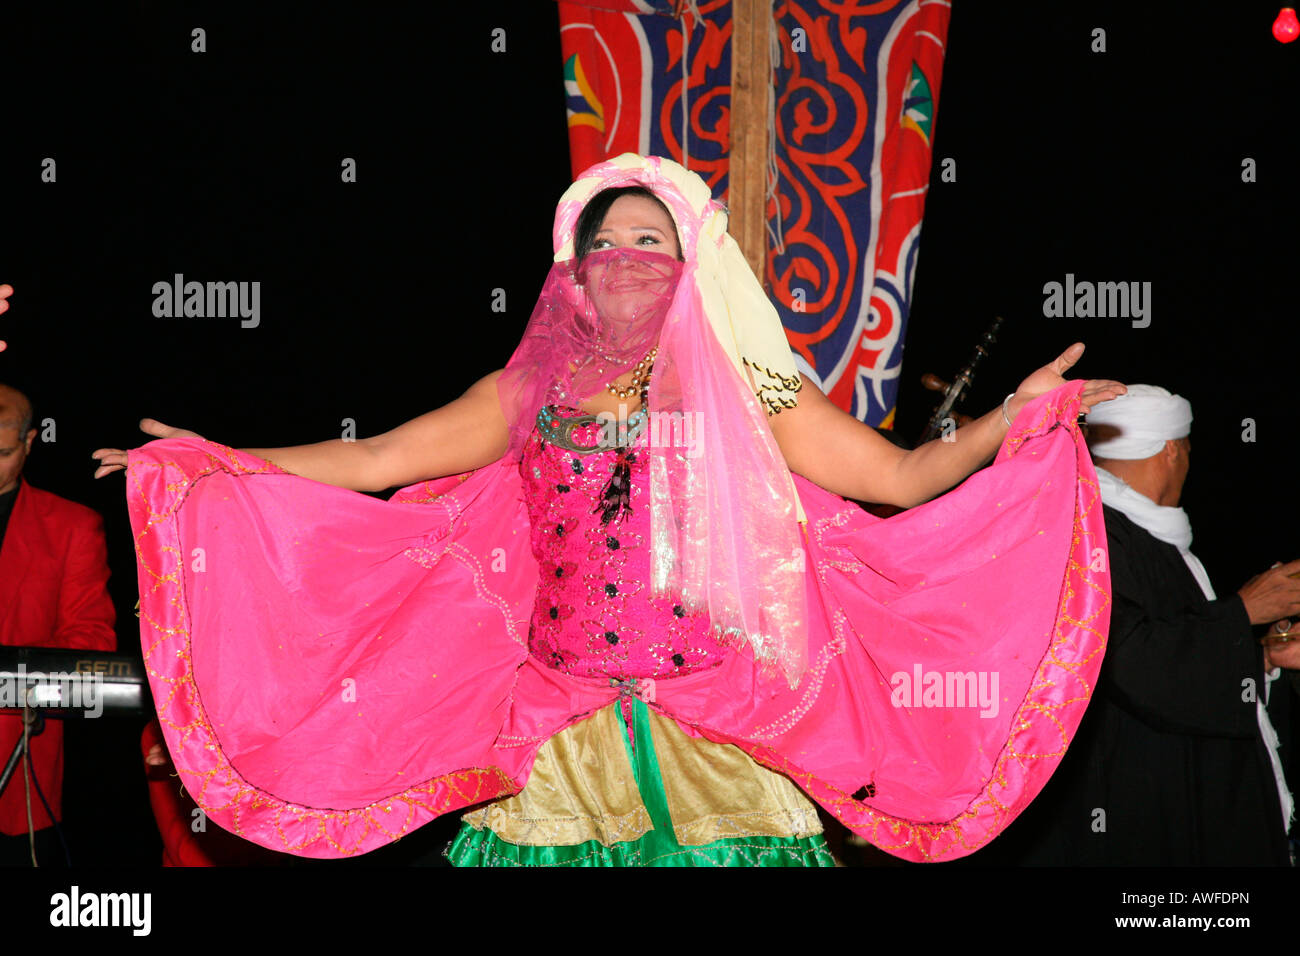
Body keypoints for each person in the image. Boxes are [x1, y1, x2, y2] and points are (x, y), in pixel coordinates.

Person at [93, 154, 1125, 866]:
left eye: (651, 238)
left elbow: (897, 479)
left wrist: (1006, 418)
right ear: (573, 268)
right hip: (557, 742)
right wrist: (219, 460)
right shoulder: (524, 393)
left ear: (688, 269)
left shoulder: (751, 392)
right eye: (608, 240)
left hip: (724, 733)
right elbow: (381, 455)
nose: (629, 255)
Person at [979, 385, 1300, 865]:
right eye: (1189, 449)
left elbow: (1180, 651)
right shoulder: (1092, 532)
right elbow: (1124, 658)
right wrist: (1242, 612)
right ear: (1171, 449)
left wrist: (1264, 656)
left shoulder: (1151, 538)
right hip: (1126, 801)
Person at [0, 383, 117, 866]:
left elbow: (92, 648)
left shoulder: (72, 526)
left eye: (2, 452)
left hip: (14, 780)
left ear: (29, 444)